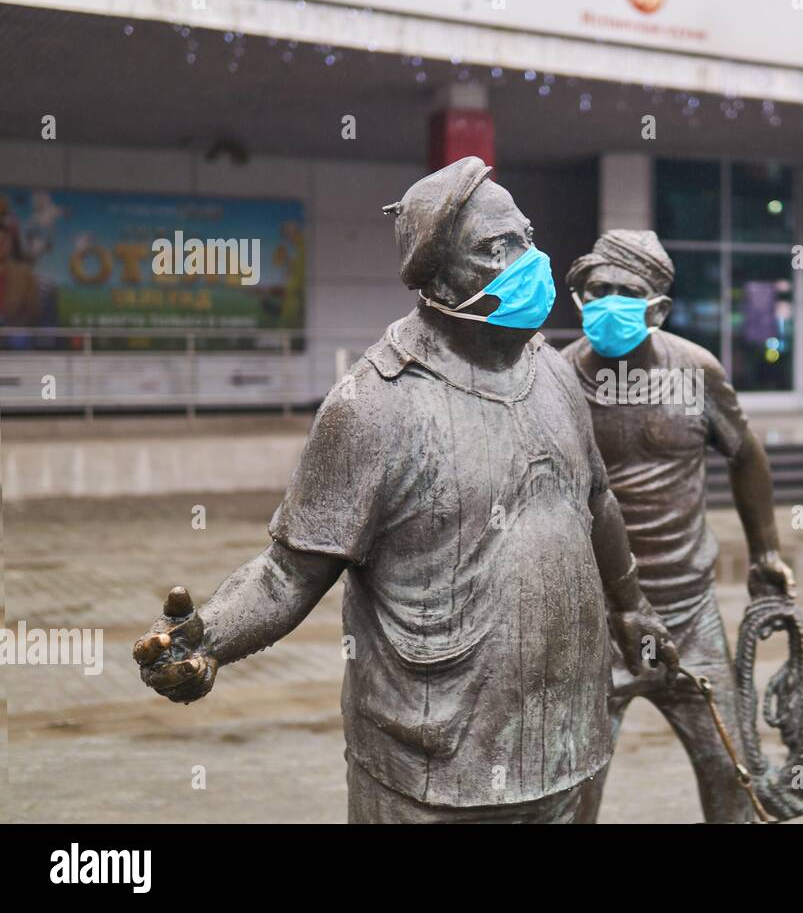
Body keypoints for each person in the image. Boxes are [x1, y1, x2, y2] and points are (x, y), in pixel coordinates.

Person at [134, 157, 678, 824]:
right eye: (496, 249)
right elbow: (288, 573)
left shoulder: (556, 376)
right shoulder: (372, 407)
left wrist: (632, 609)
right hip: (430, 775)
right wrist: (207, 638)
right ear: (439, 277)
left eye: (526, 238)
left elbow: (596, 501)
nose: (530, 259)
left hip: (566, 755)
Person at [561, 229, 795, 823]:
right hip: (593, 621)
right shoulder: (555, 379)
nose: (609, 299)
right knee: (567, 794)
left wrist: (766, 552)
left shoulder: (696, 371)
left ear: (658, 308)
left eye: (625, 290)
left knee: (735, 776)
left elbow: (746, 454)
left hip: (691, 617)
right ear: (579, 297)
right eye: (598, 289)